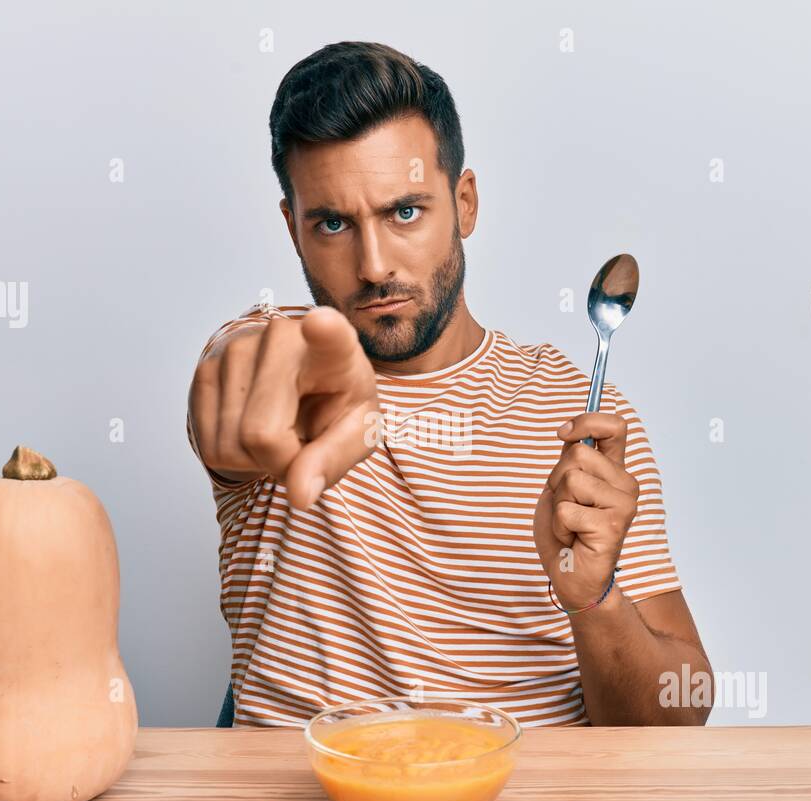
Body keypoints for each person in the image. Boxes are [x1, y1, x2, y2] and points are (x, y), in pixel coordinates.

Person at [188, 41, 711, 728]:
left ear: (464, 204)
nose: (373, 266)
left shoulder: (581, 412)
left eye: (405, 212)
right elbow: (231, 395)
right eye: (334, 223)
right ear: (293, 230)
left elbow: (682, 712)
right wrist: (255, 373)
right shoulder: (285, 369)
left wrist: (596, 598)